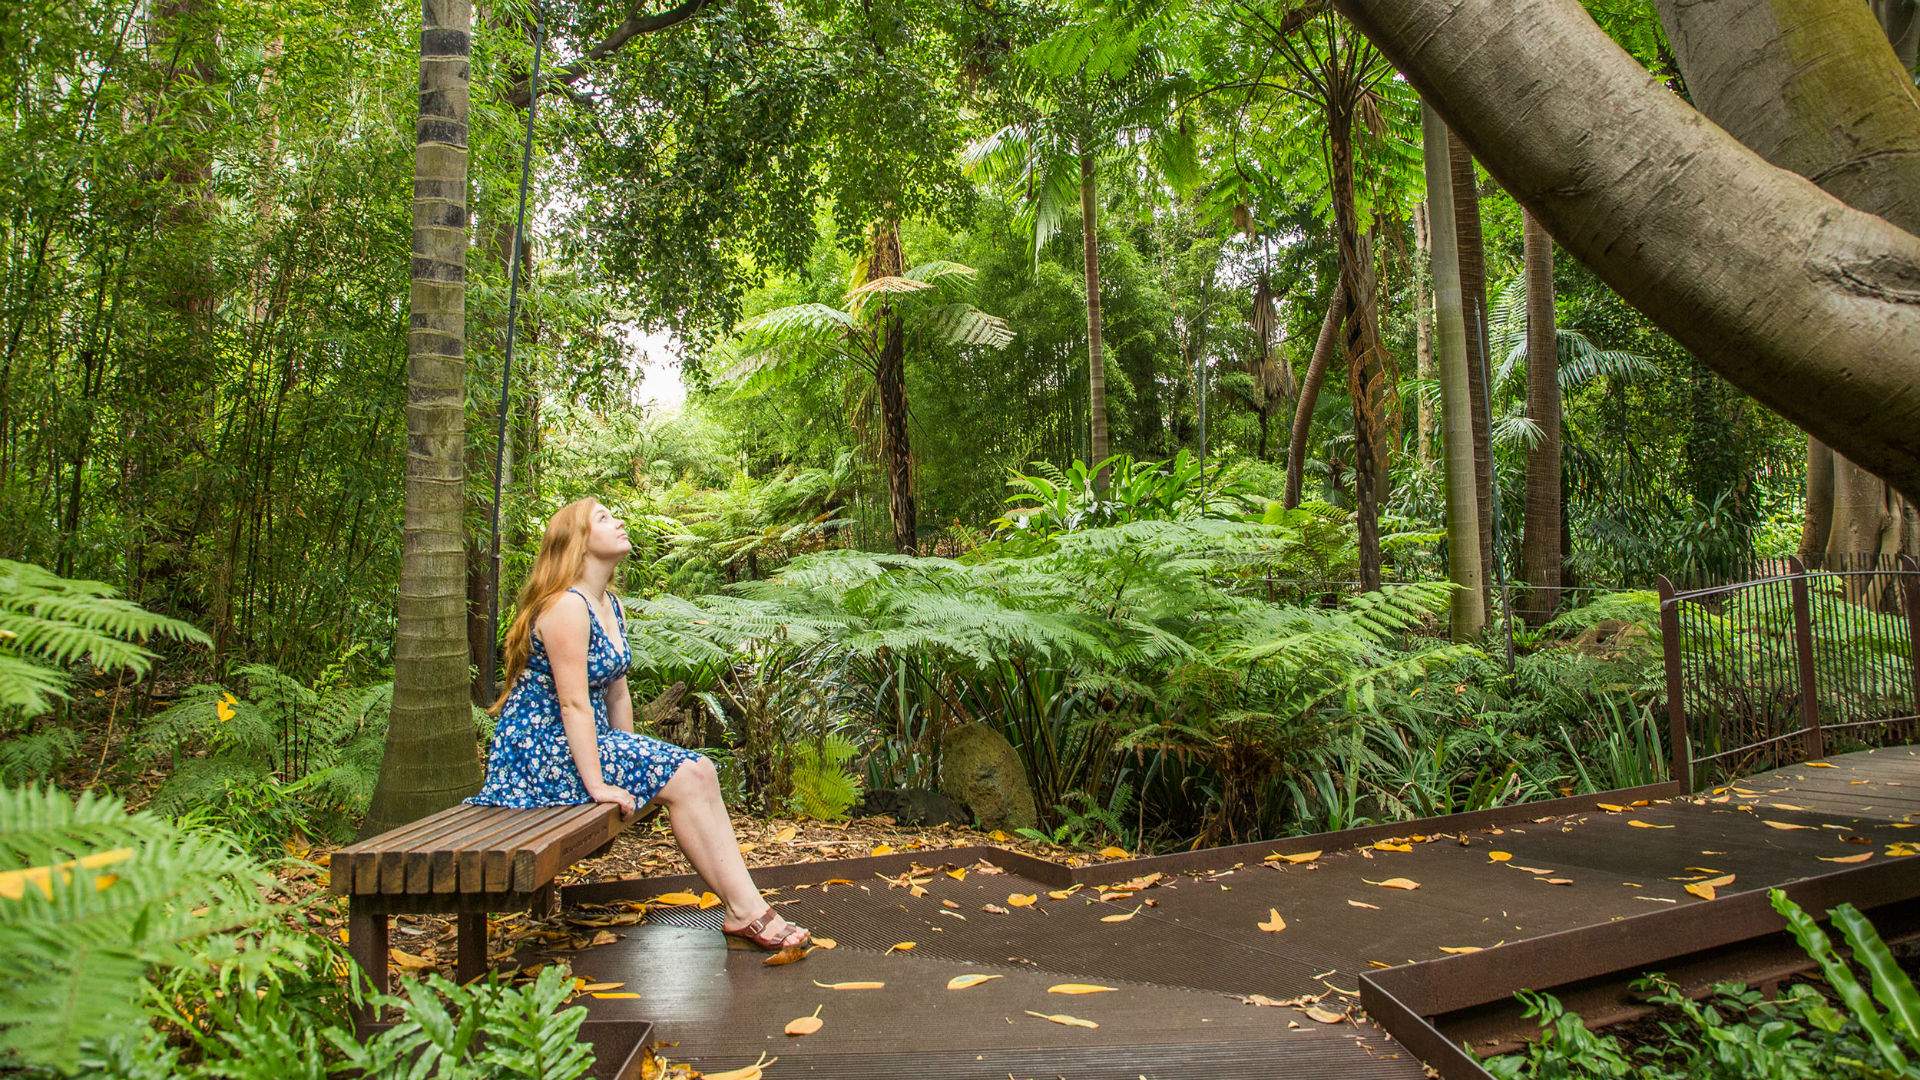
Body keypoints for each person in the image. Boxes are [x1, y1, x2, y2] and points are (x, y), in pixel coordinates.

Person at [469, 498, 809, 951]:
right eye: (604, 519)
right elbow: (572, 705)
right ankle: (746, 912)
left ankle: (741, 906)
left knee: (701, 771)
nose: (619, 522)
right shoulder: (566, 607)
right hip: (539, 751)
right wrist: (601, 784)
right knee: (688, 776)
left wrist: (630, 759)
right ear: (578, 543)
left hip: (583, 743)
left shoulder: (609, 603)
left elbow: (617, 693)